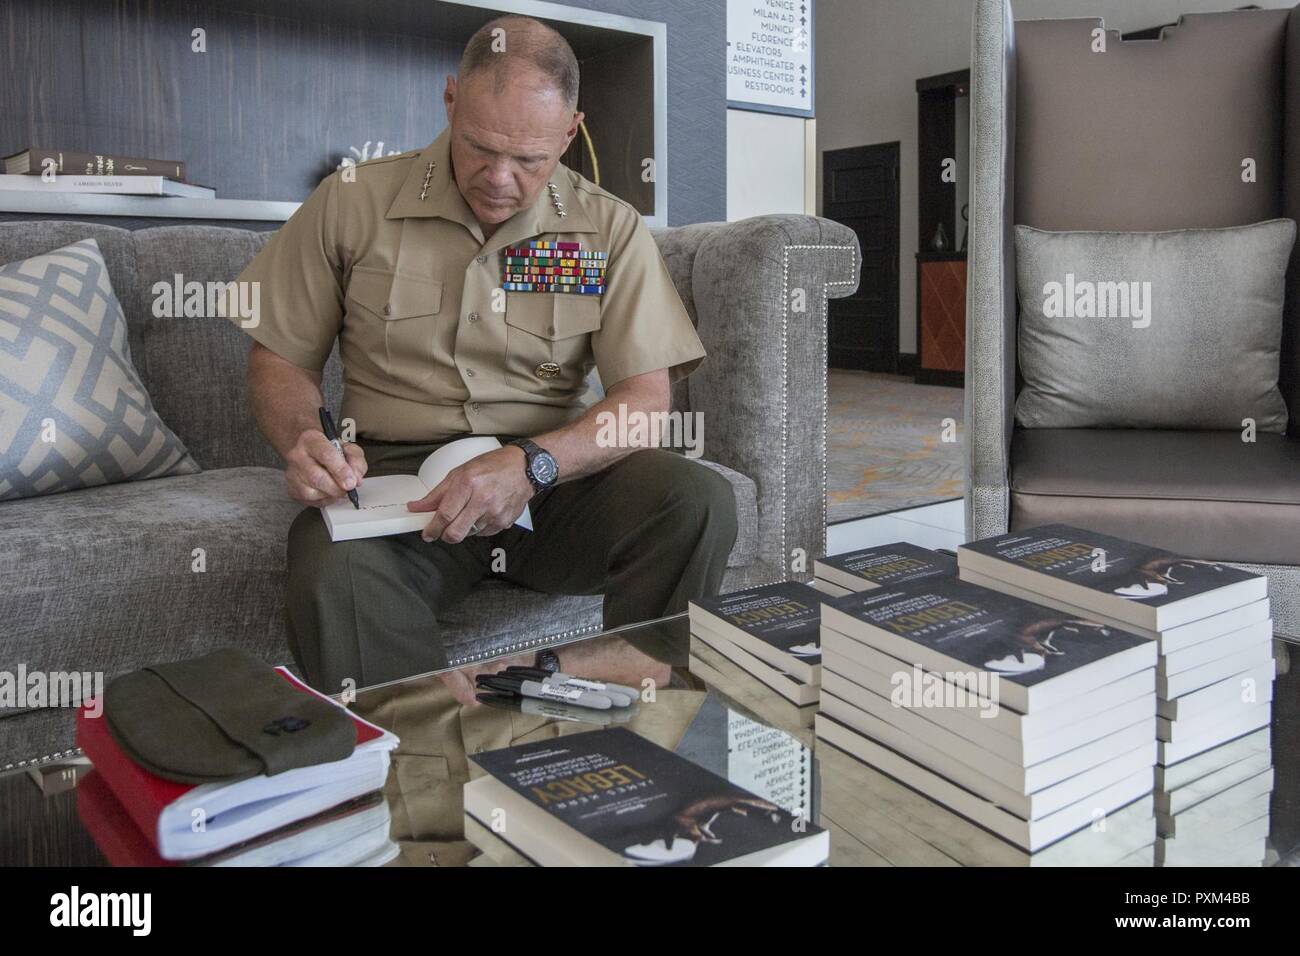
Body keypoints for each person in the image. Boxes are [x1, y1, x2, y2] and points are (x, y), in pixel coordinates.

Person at [226, 15, 737, 697]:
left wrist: (535, 464)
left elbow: (644, 406)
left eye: (529, 160)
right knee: (329, 570)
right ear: (450, 102)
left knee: (696, 498)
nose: (498, 178)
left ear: (570, 130)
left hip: (554, 484)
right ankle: (428, 766)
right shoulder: (351, 204)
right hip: (401, 490)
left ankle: (646, 697)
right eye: (478, 148)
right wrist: (304, 439)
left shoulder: (606, 227)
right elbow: (279, 360)